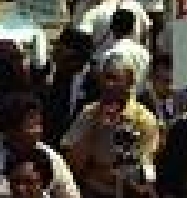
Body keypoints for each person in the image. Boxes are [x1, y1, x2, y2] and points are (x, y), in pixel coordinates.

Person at [61, 54, 159, 198]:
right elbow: (70, 163)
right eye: (105, 78)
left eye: (114, 79)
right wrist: (95, 127)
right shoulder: (89, 113)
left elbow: (145, 168)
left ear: (130, 82)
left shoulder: (144, 120)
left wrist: (109, 175)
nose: (108, 85)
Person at [0, 92, 80, 198]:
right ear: (11, 129)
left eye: (39, 125)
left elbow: (71, 194)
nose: (39, 131)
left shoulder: (50, 157)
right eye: (32, 126)